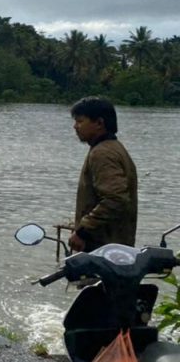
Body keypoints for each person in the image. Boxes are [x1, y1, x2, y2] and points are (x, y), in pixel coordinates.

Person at [68, 96, 138, 253]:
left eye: (80, 121)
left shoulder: (103, 153)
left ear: (99, 123)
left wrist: (82, 230)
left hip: (104, 251)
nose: (75, 126)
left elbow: (115, 199)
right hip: (114, 247)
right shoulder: (113, 147)